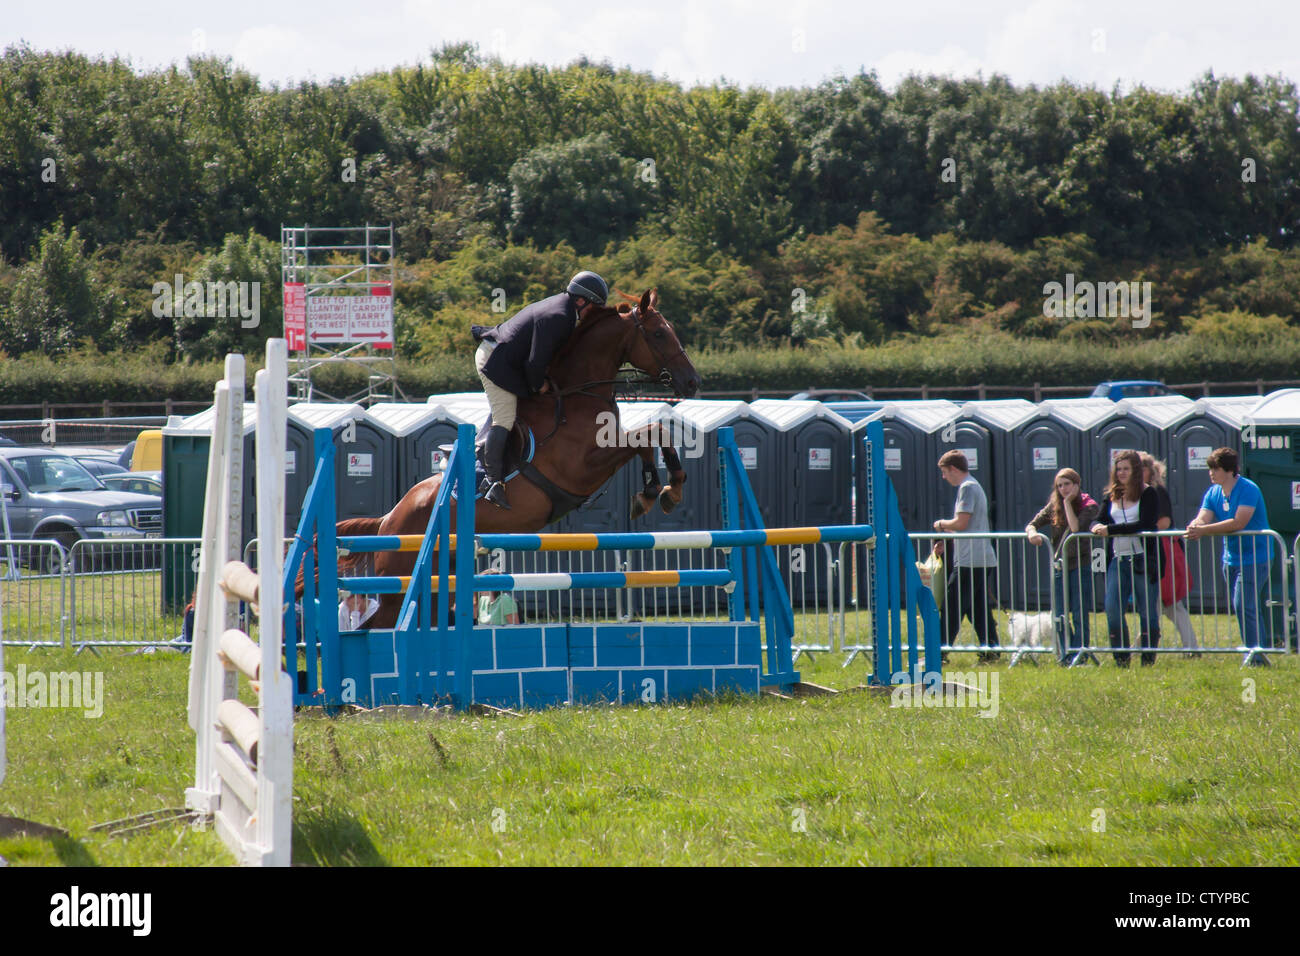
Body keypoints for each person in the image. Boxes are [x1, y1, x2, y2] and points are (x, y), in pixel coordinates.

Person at [470, 271, 610, 508]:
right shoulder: (560, 316)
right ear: (580, 301)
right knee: (505, 418)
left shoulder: (564, 311)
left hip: (508, 358)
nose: (592, 316)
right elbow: (535, 363)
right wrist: (540, 384)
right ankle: (493, 482)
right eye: (594, 308)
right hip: (494, 361)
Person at [1186, 447, 1273, 665]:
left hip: (1256, 556)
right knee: (1247, 606)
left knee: (1243, 604)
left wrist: (1204, 531)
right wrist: (1196, 525)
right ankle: (1257, 653)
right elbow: (1203, 516)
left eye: (1215, 468)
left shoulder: (1248, 489)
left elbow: (1238, 522)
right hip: (1231, 558)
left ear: (1229, 470)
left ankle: (1254, 655)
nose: (1211, 473)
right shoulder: (1213, 492)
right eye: (1210, 468)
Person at [1090, 450, 1162, 667]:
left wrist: (1110, 529)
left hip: (1143, 559)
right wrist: (1095, 527)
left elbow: (1146, 524)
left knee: (1148, 612)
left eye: (1126, 469)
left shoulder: (1148, 494)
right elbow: (1097, 520)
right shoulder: (1110, 495)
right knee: (1112, 608)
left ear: (1136, 471)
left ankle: (1147, 661)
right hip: (1118, 560)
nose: (1121, 473)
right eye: (1118, 468)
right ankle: (1122, 659)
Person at [1025, 468, 1099, 664]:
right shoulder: (1053, 505)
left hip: (1080, 565)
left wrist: (1067, 503)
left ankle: (1079, 654)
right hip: (1059, 566)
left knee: (1078, 611)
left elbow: (1075, 528)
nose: (1063, 489)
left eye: (1067, 484)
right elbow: (1032, 523)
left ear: (1077, 484)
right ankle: (1065, 654)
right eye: (1059, 485)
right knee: (1059, 614)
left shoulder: (1089, 505)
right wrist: (1032, 533)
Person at [933, 450, 1000, 662]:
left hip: (971, 559)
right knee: (976, 608)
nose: (944, 477)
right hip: (979, 557)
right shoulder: (973, 486)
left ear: (953, 469)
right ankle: (991, 650)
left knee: (951, 606)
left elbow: (961, 523)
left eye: (944, 472)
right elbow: (967, 527)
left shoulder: (967, 487)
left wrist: (941, 524)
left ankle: (938, 654)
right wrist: (947, 540)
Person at [1139, 452, 1199, 657]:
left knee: (1168, 601)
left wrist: (1138, 528)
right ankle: (1188, 648)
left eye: (1141, 468)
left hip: (1163, 552)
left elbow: (1163, 522)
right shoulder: (1137, 494)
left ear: (1150, 470)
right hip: (1150, 551)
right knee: (1160, 603)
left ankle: (1144, 649)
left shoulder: (1157, 491)